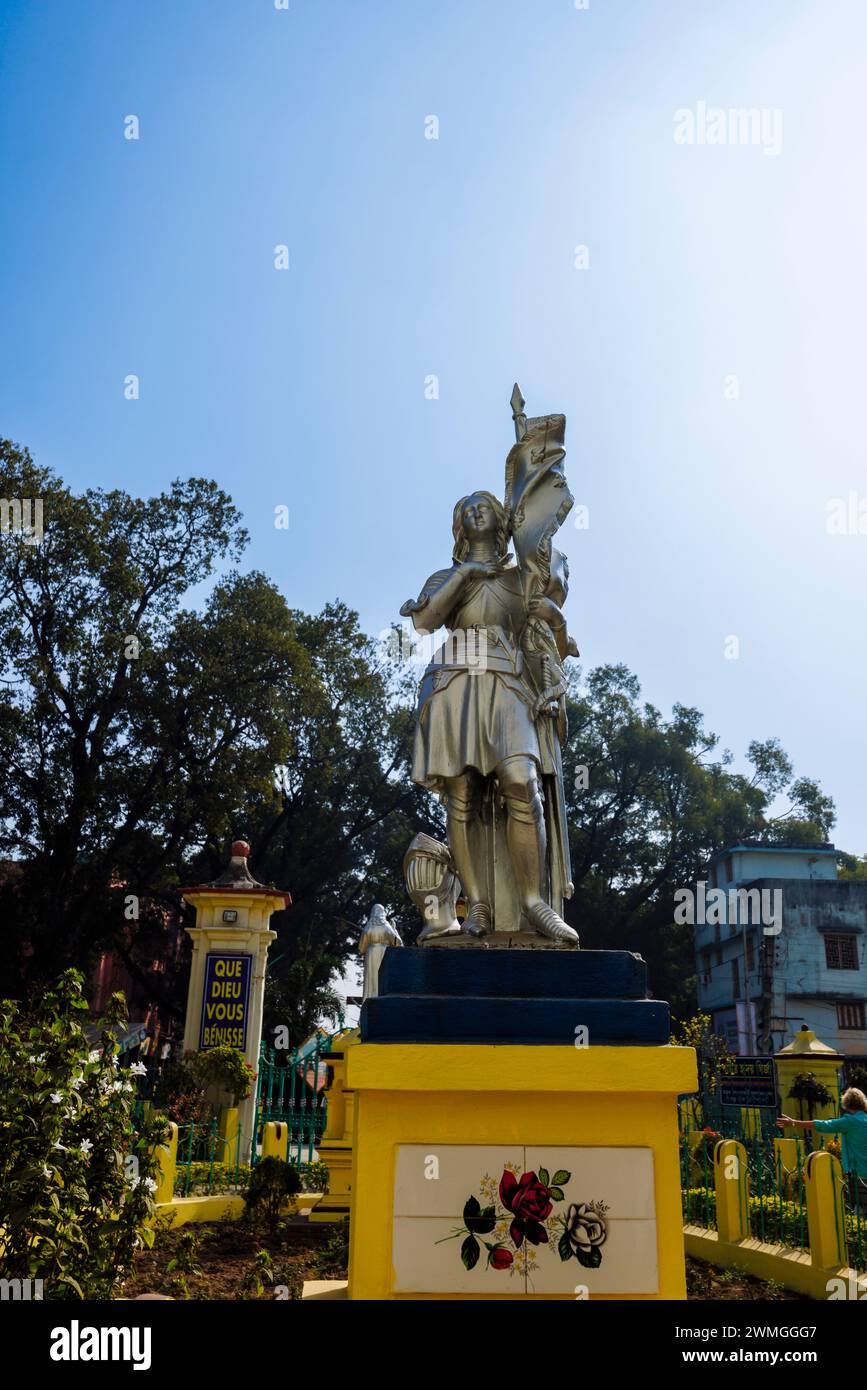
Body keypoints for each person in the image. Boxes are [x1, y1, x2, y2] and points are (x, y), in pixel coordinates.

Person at [778, 1087, 867, 1211]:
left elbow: (823, 1125)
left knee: (860, 1212)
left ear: (846, 1103)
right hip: (860, 1172)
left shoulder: (850, 1121)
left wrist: (793, 1122)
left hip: (859, 1174)